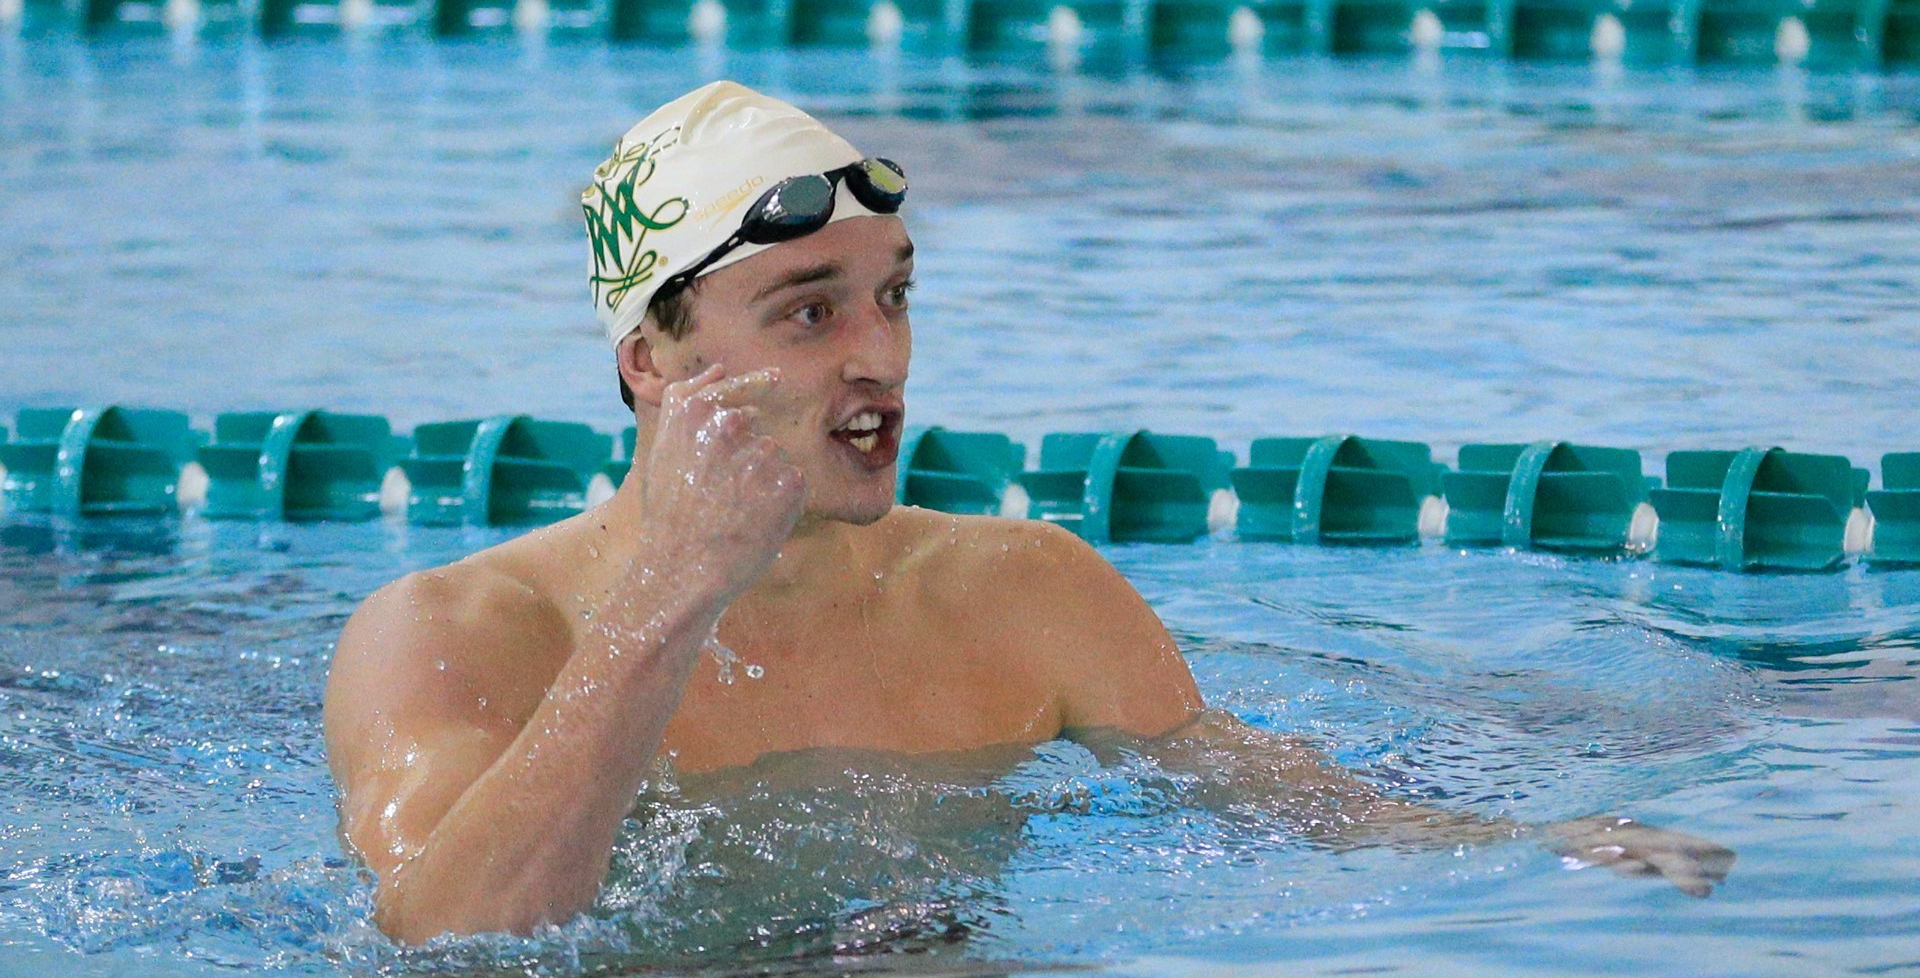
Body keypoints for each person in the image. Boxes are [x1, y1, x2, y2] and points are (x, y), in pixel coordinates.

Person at [322, 81, 1734, 945]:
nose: (878, 355)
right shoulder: (449, 635)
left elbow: (1263, 796)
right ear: (653, 363)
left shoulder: (1023, 591)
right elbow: (451, 939)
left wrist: (1531, 849)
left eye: (893, 292)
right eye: (809, 310)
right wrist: (669, 599)